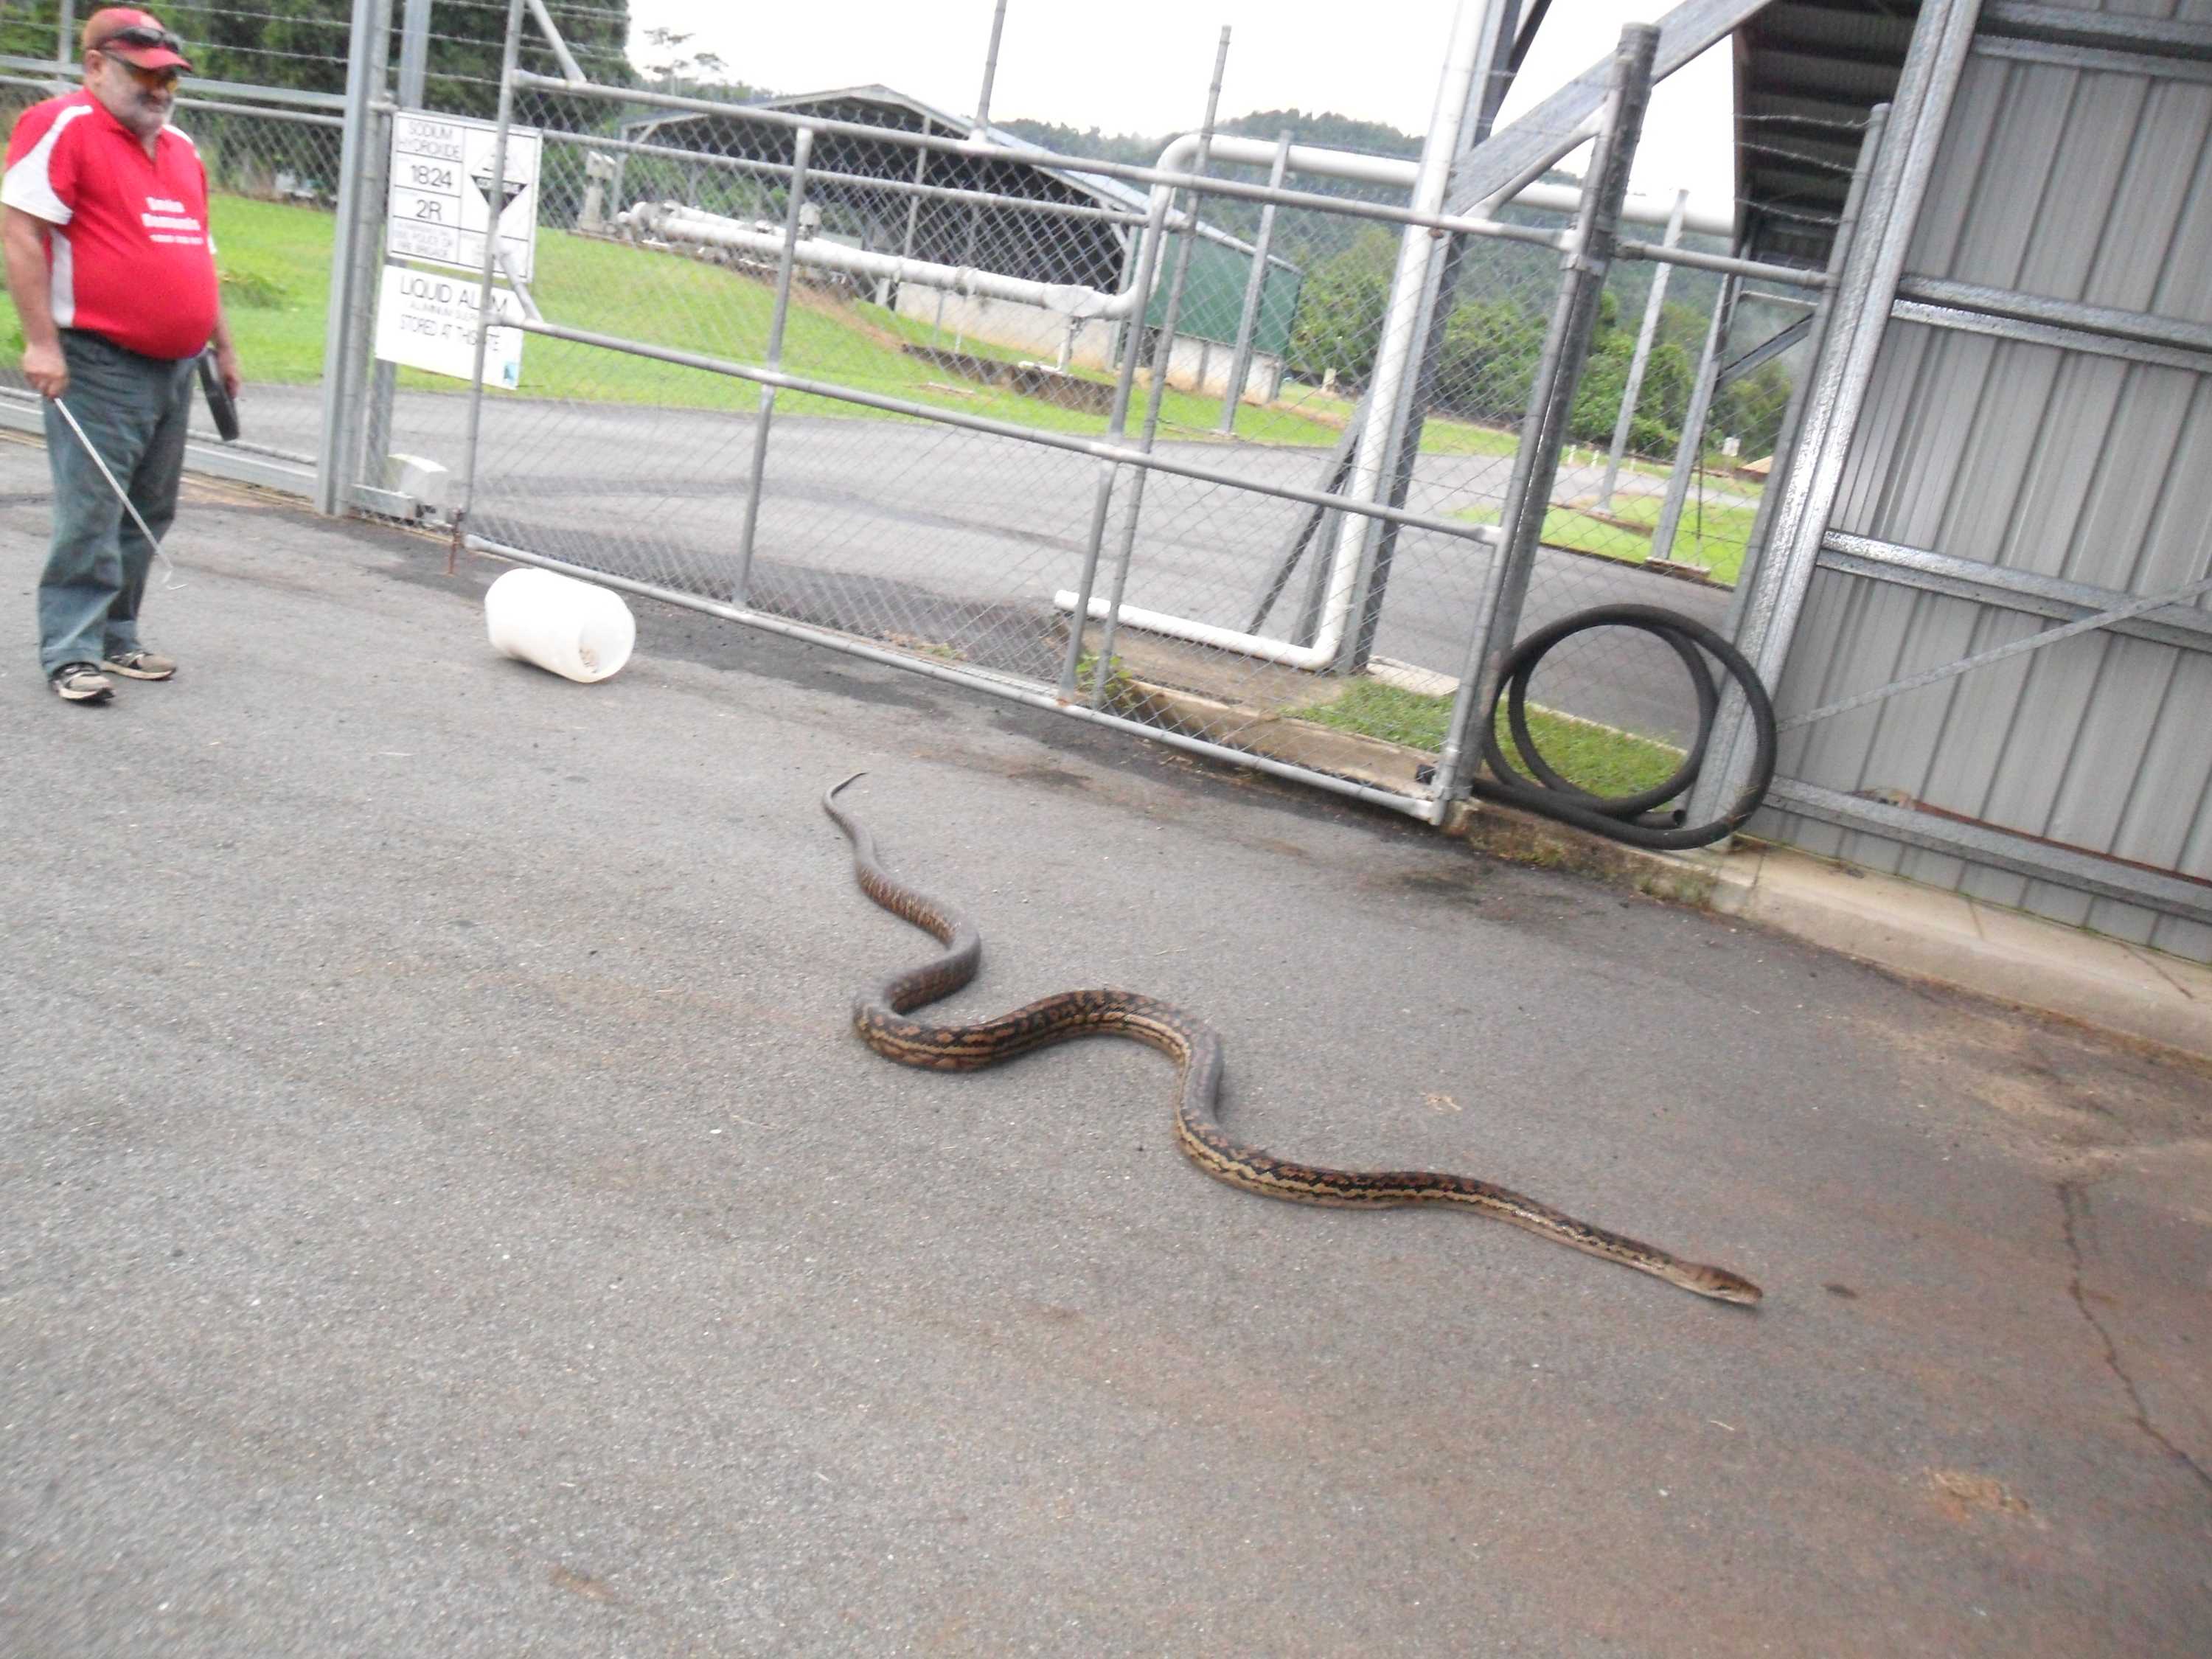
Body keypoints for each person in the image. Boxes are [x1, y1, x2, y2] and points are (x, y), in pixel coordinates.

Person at [2, 8, 240, 705]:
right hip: (98, 358)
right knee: (93, 508)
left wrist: (222, 343)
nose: (160, 91)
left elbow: (200, 250)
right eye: (144, 75)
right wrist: (42, 342)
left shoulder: (181, 149)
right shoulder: (64, 125)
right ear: (98, 66)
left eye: (169, 79)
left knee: (148, 508)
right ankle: (70, 651)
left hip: (176, 364)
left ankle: (117, 635)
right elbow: (21, 233)